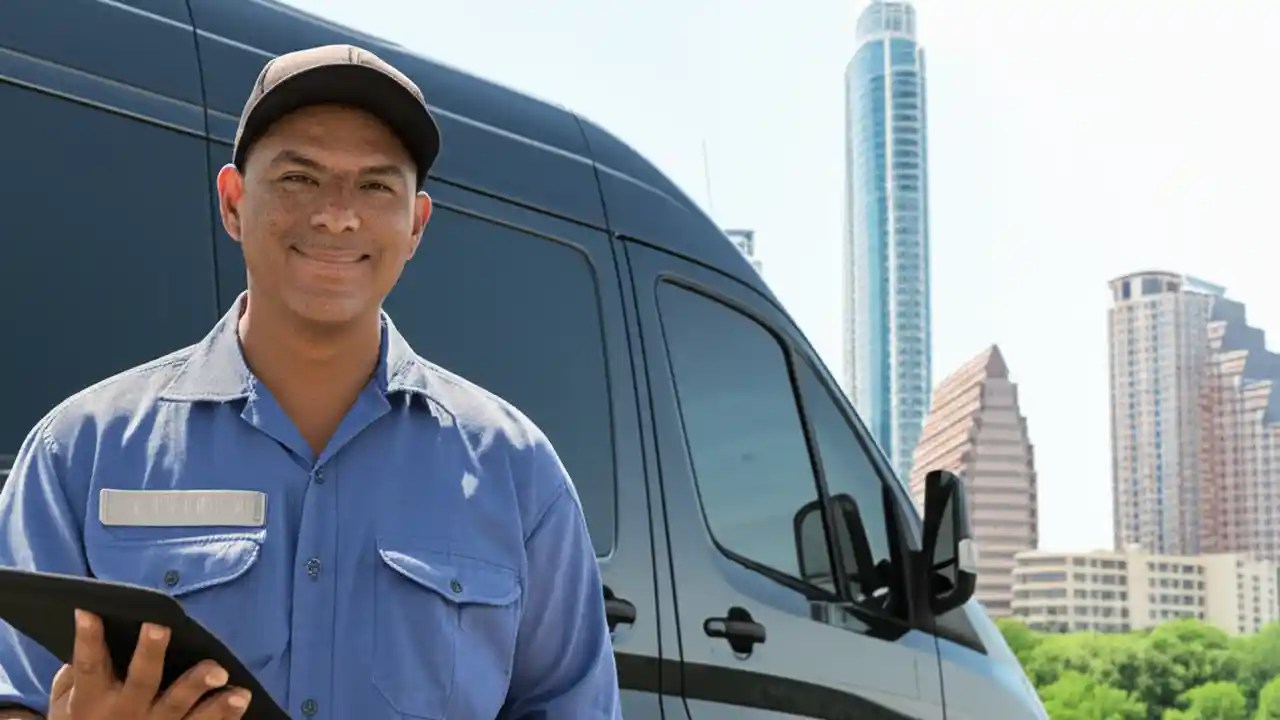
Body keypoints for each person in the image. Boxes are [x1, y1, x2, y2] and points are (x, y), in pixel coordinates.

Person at [0, 44, 622, 720]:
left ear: (415, 225)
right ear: (234, 202)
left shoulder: (518, 475)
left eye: (377, 185)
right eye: (299, 178)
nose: (336, 215)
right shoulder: (79, 455)